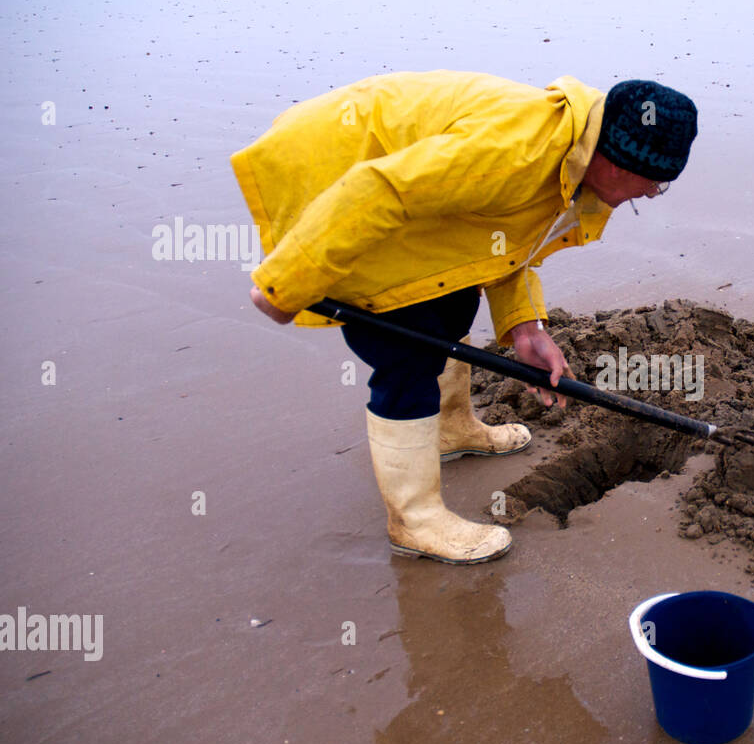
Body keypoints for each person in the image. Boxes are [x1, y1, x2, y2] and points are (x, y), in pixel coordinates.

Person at [232, 70, 698, 564]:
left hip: (379, 187)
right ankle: (414, 521)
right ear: (614, 159)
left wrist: (526, 328)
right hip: (334, 174)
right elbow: (380, 190)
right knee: (407, 347)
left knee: (453, 295)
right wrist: (286, 281)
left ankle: (451, 427)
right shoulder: (513, 154)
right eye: (654, 183)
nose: (650, 194)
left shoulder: (573, 157)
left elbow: (503, 243)